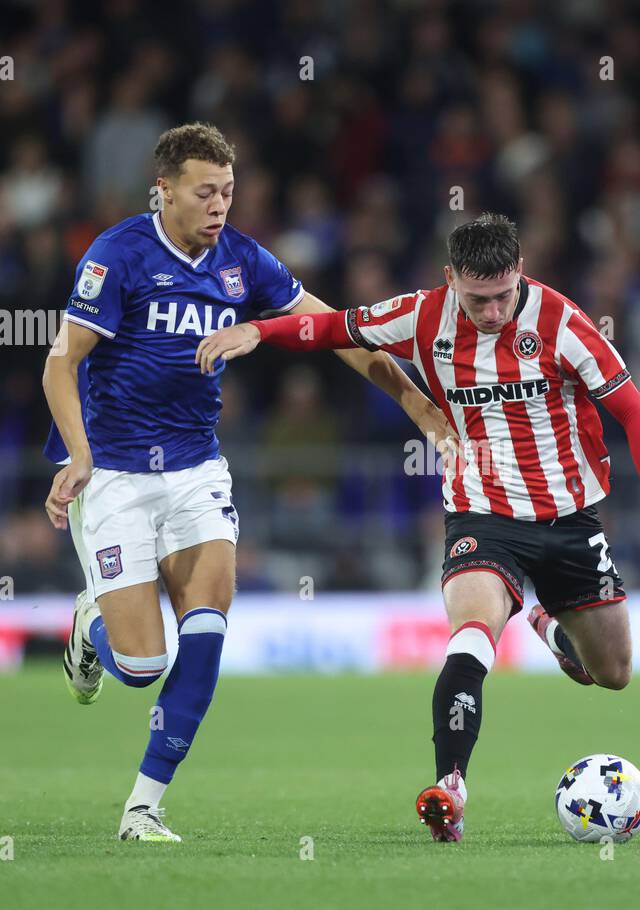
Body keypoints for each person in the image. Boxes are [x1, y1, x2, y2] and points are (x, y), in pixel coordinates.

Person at [196, 212, 640, 841]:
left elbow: (634, 411)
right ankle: (450, 786)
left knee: (612, 673)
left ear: (521, 274)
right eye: (477, 298)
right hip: (481, 512)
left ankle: (545, 625)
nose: (491, 311)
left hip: (569, 519)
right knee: (472, 633)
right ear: (451, 277)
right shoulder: (422, 315)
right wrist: (259, 331)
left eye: (504, 295)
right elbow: (333, 327)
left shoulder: (563, 323)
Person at [41, 122, 451, 842]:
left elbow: (335, 330)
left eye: (228, 192)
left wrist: (420, 406)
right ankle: (91, 620)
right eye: (205, 192)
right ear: (162, 191)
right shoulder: (118, 256)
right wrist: (76, 454)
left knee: (205, 633)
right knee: (140, 665)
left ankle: (143, 808)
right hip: (112, 472)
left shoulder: (242, 262)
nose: (219, 206)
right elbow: (60, 362)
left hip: (197, 470)